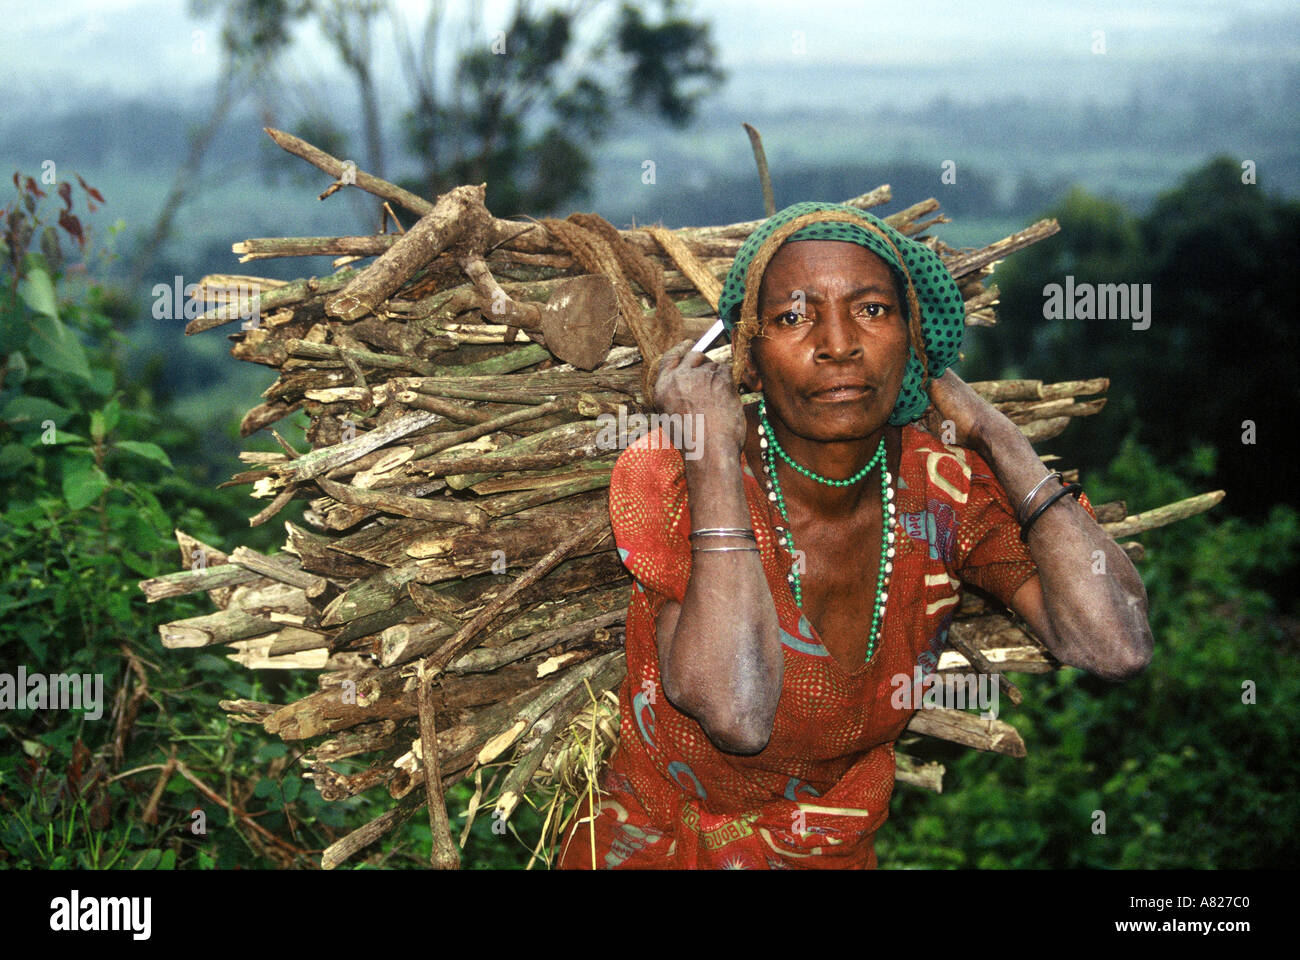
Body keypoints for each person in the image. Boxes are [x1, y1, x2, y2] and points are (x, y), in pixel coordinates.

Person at [556, 201, 1153, 869]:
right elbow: (738, 714)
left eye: (872, 310)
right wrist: (714, 455)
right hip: (650, 852)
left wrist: (998, 435)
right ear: (746, 359)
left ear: (912, 340)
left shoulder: (942, 492)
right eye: (791, 317)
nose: (838, 344)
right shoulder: (677, 480)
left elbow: (1116, 645)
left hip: (827, 853)